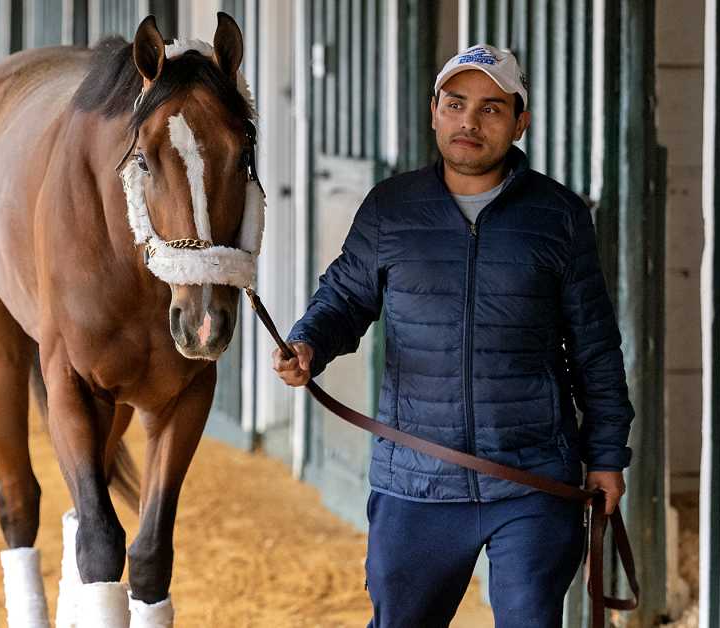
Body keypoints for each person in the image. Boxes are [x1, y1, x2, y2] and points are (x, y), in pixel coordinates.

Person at [272, 44, 635, 628]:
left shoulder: (559, 215)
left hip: (532, 480)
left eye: (492, 109)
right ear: (434, 111)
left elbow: (595, 345)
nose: (470, 121)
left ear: (520, 123)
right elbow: (344, 296)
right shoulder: (390, 208)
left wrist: (608, 454)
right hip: (417, 481)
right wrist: (309, 344)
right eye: (456, 103)